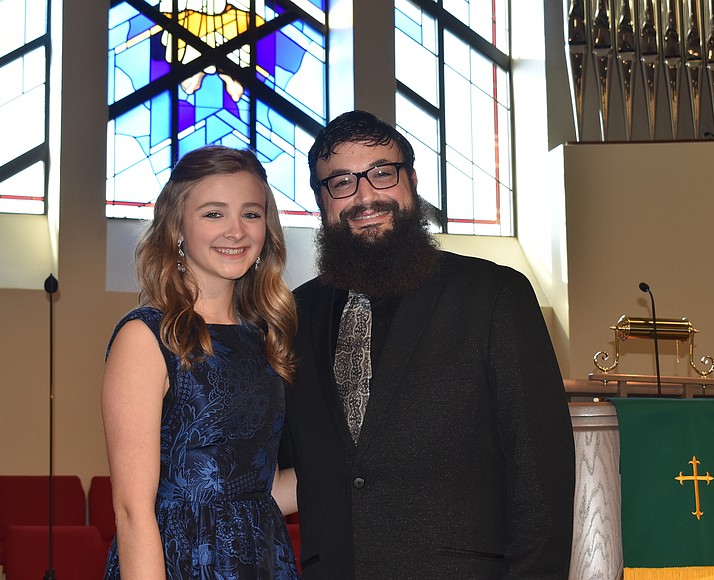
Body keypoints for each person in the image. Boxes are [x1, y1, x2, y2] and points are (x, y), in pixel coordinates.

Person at [279, 110, 575, 578]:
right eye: (341, 182)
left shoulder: (493, 295)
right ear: (322, 201)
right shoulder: (291, 317)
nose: (365, 195)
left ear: (411, 181)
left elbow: (542, 476)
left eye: (381, 173)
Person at [101, 145, 300, 578]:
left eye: (251, 213)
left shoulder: (266, 338)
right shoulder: (147, 336)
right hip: (179, 562)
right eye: (214, 214)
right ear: (177, 227)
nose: (237, 231)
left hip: (262, 559)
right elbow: (132, 511)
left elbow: (262, 491)